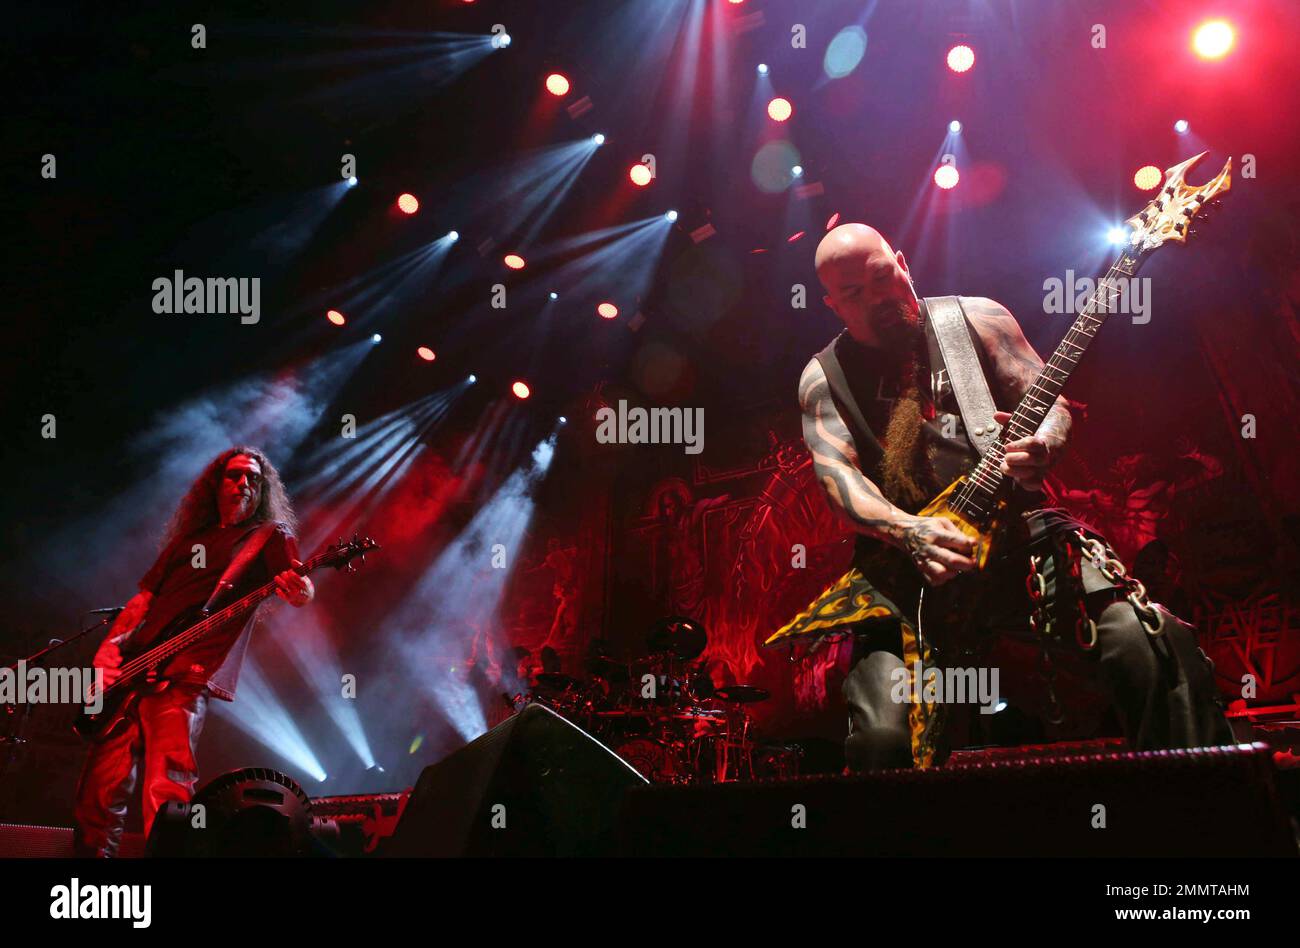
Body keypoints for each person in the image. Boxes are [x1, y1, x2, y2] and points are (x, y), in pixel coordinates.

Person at [775, 223, 1232, 770]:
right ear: (831, 304)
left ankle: (1204, 813)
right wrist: (908, 530)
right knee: (882, 740)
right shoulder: (823, 378)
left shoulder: (975, 319)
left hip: (1022, 539)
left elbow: (1051, 400)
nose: (877, 297)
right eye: (854, 293)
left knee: (1147, 646)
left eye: (882, 276)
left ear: (901, 261)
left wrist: (1044, 442)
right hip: (910, 570)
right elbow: (838, 479)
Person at [74, 447, 314, 856]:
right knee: (98, 793)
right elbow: (142, 601)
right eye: (234, 475)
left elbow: (297, 585)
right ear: (215, 485)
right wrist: (107, 653)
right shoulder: (189, 540)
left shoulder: (268, 536)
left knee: (167, 789)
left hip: (185, 674)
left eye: (254, 478)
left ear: (263, 489)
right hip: (133, 671)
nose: (244, 483)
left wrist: (303, 589)